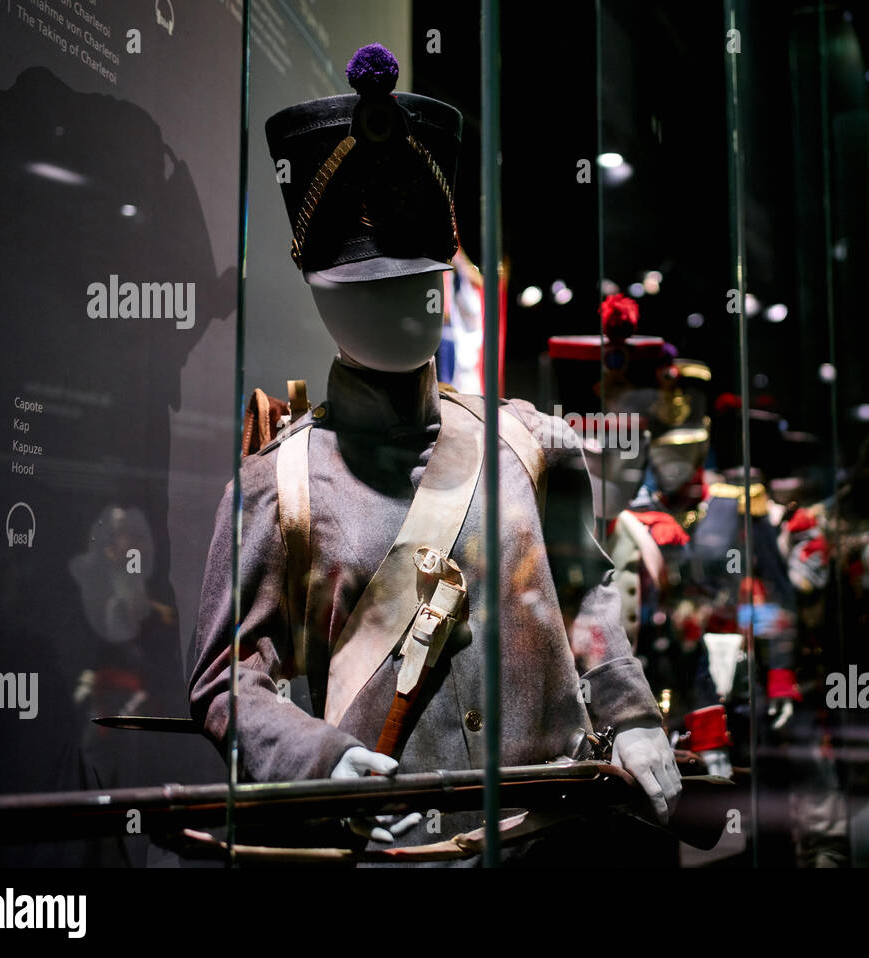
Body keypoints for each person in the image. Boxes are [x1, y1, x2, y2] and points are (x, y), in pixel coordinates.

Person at [188, 43, 680, 862]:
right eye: (368, 286)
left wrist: (630, 718)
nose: (408, 304)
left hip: (557, 846)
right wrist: (321, 761)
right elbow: (226, 681)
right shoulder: (279, 487)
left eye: (420, 279)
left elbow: (587, 598)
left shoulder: (531, 445)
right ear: (316, 286)